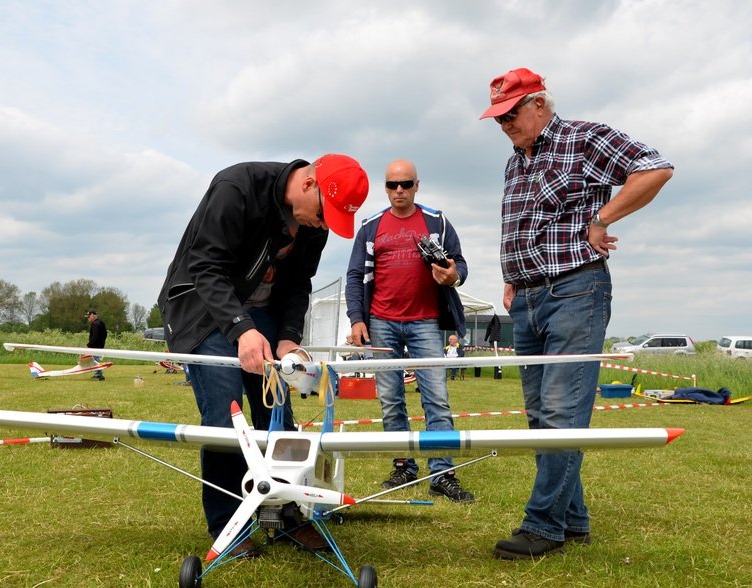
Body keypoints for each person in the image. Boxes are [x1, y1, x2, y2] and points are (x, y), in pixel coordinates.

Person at [479, 67, 674, 559]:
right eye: (498, 118)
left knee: (564, 413)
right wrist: (513, 277)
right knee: (542, 416)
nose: (505, 125)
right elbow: (524, 223)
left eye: (511, 114)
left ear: (539, 104)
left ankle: (542, 527)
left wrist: (601, 218)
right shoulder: (514, 162)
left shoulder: (584, 138)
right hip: (526, 297)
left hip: (575, 291)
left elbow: (655, 169)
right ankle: (573, 519)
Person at [158, 154, 369, 558]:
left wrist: (289, 337)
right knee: (226, 416)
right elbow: (205, 267)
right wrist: (241, 329)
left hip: (263, 313)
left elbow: (298, 284)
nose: (324, 226)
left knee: (278, 414)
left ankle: (287, 513)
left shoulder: (313, 225)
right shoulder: (237, 188)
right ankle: (228, 525)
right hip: (204, 310)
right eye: (326, 214)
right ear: (309, 185)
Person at [345, 159, 475, 503]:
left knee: (437, 399)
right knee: (390, 400)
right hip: (381, 324)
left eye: (405, 184)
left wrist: (453, 275)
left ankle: (442, 472)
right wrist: (357, 318)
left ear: (418, 185)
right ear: (385, 188)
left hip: (426, 323)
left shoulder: (437, 221)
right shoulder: (370, 226)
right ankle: (403, 465)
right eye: (392, 185)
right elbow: (355, 275)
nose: (399, 191)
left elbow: (460, 264)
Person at [85, 310, 107, 381]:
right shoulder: (101, 322)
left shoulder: (95, 324)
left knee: (95, 360)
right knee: (96, 359)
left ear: (92, 316)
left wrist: (89, 344)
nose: (88, 319)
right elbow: (105, 334)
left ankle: (99, 374)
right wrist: (102, 342)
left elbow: (95, 336)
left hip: (95, 346)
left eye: (88, 317)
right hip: (101, 345)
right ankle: (98, 373)